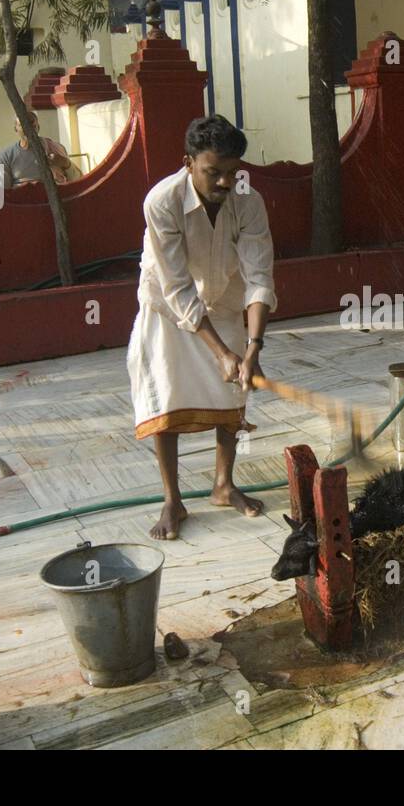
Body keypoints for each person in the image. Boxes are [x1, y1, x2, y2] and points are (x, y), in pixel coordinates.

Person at [127, 115, 277, 540]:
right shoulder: (161, 201)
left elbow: (259, 275)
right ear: (189, 163)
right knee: (167, 401)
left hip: (226, 299)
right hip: (168, 306)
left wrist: (252, 348)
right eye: (214, 172)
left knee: (232, 394)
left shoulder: (250, 201)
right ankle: (173, 500)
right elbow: (176, 285)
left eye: (233, 172)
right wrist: (221, 352)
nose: (226, 182)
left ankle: (223, 485)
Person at [0, 113, 75, 187]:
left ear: (38, 127)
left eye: (31, 123)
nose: (28, 128)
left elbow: (75, 178)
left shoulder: (55, 147)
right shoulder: (5, 156)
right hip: (22, 200)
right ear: (15, 129)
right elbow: (2, 190)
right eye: (22, 124)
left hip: (51, 199)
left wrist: (65, 163)